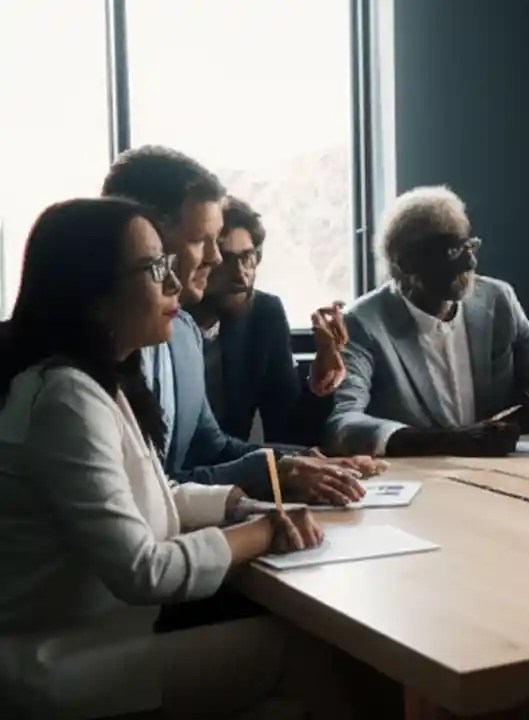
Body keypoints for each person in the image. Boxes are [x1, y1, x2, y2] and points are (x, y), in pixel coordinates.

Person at [0, 198, 352, 718]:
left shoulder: (94, 380)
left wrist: (235, 503)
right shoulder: (66, 398)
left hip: (88, 642)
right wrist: (263, 532)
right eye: (153, 267)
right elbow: (142, 570)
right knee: (311, 652)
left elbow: (148, 494)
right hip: (62, 664)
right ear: (94, 294)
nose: (174, 283)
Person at [102, 145, 373, 504]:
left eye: (247, 257)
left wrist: (300, 461)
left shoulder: (181, 333)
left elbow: (212, 447)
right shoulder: (83, 356)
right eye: (201, 241)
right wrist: (276, 475)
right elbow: (148, 492)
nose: (214, 259)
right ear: (145, 236)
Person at [326, 186, 529, 457]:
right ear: (404, 264)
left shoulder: (497, 301)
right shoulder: (362, 324)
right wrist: (447, 441)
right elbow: (344, 424)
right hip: (419, 484)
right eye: (453, 251)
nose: (471, 261)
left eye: (469, 245)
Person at [189, 195, 341, 445]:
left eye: (247, 258)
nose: (240, 274)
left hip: (237, 473)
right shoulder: (166, 322)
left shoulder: (263, 314)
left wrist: (319, 381)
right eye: (225, 261)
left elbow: (289, 432)